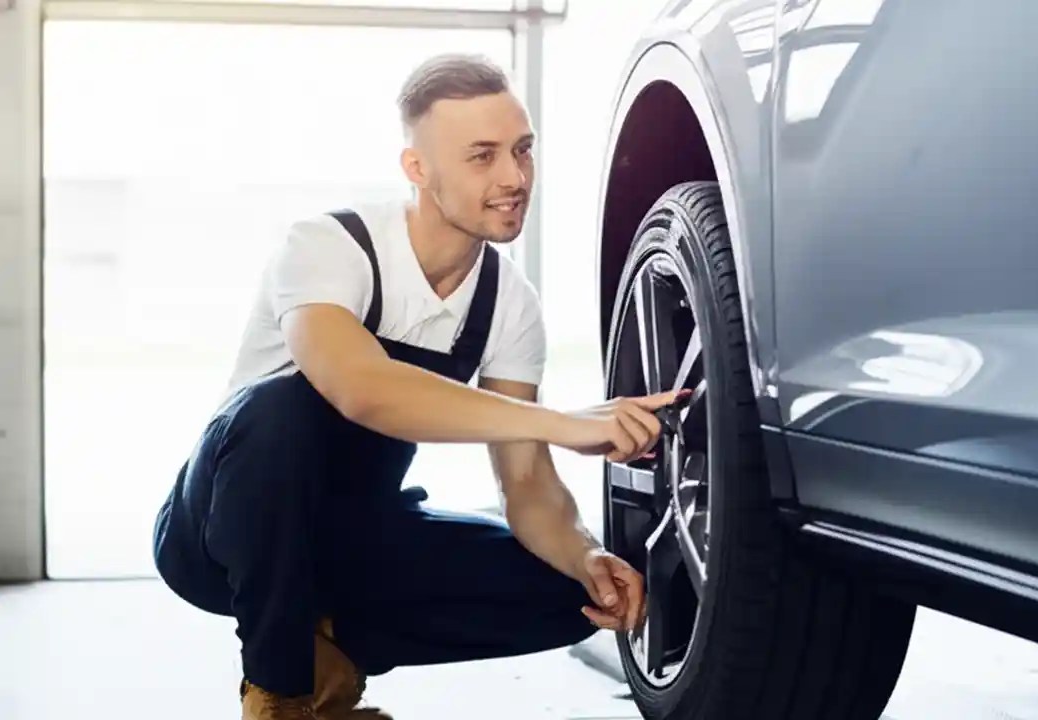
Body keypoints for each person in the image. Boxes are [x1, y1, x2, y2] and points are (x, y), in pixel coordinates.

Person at [151, 53, 679, 720]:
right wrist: (567, 424)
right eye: (482, 157)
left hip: (354, 538)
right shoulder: (329, 246)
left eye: (523, 151)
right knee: (280, 411)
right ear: (418, 169)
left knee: (566, 594)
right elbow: (361, 389)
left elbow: (527, 488)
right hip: (219, 537)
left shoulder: (509, 304)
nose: (515, 177)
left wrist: (587, 555)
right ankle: (280, 694)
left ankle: (330, 659)